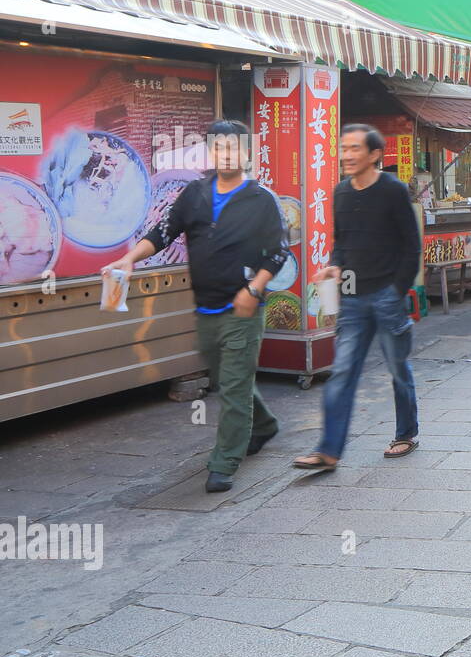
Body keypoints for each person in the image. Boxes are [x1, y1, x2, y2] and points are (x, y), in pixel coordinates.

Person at [104, 121, 287, 493]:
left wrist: (253, 290)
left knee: (233, 389)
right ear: (211, 152)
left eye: (234, 147)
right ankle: (264, 425)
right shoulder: (194, 194)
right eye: (219, 147)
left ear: (247, 153)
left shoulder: (261, 199)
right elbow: (163, 232)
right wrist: (129, 260)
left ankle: (224, 462)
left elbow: (279, 252)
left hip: (243, 310)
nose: (226, 154)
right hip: (206, 308)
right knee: (229, 379)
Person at [293, 124, 422, 473]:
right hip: (351, 298)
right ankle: (329, 450)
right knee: (343, 371)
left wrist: (396, 292)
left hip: (387, 296)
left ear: (375, 154)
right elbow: (342, 243)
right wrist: (334, 266)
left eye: (355, 148)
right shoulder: (341, 192)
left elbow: (412, 247)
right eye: (343, 148)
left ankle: (406, 433)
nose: (347, 155)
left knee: (397, 368)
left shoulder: (393, 190)